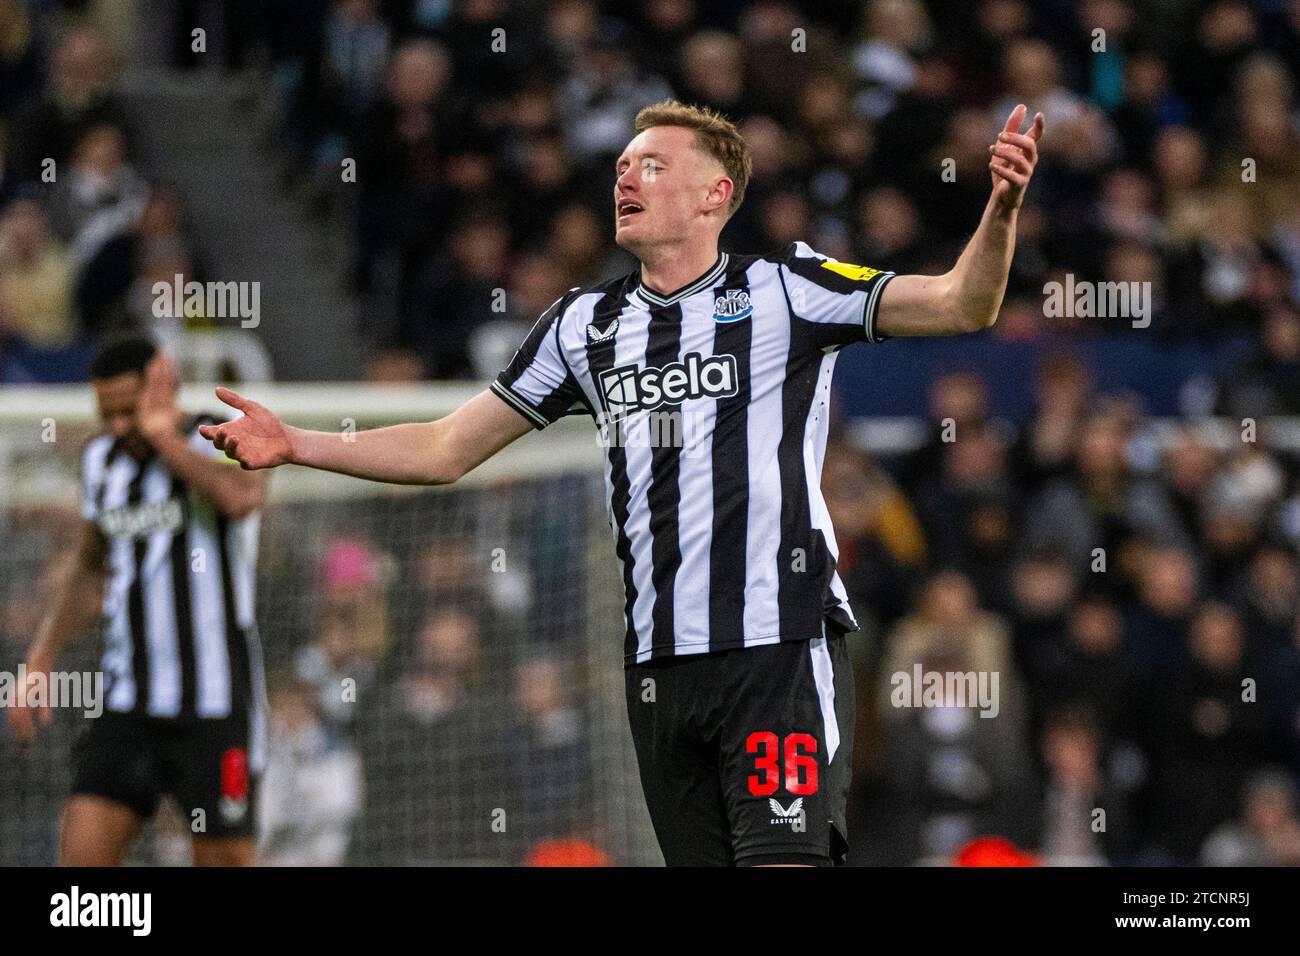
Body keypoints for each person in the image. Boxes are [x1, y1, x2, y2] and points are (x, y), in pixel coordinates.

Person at [201, 98, 1045, 866]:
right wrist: (297, 443)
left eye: (652, 165)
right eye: (620, 167)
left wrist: (1000, 209)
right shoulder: (582, 325)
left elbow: (960, 305)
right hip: (659, 670)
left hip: (775, 649)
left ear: (717, 194)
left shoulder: (787, 289)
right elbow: (445, 448)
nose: (625, 178)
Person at [8, 335, 269, 865]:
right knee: (80, 869)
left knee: (226, 860)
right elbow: (89, 566)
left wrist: (163, 437)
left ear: (162, 382)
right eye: (107, 414)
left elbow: (244, 498)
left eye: (129, 411)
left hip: (215, 706)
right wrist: (40, 660)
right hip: (130, 702)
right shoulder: (102, 462)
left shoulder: (210, 437)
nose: (118, 427)